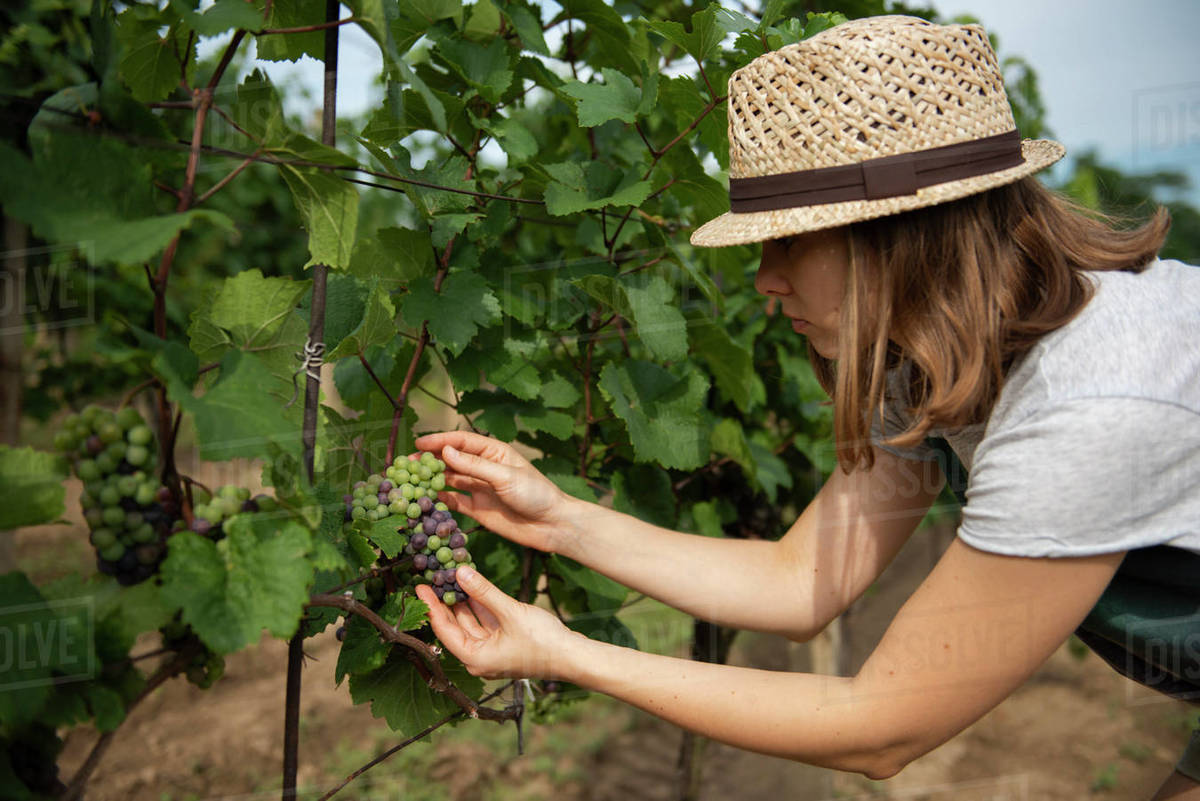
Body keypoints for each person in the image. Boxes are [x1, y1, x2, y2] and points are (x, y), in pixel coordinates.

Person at [413, 15, 1200, 798]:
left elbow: (885, 724)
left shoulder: (1091, 401)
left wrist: (562, 652)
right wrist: (557, 518)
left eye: (789, 241)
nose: (764, 279)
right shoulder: (930, 355)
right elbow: (802, 581)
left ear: (899, 235)